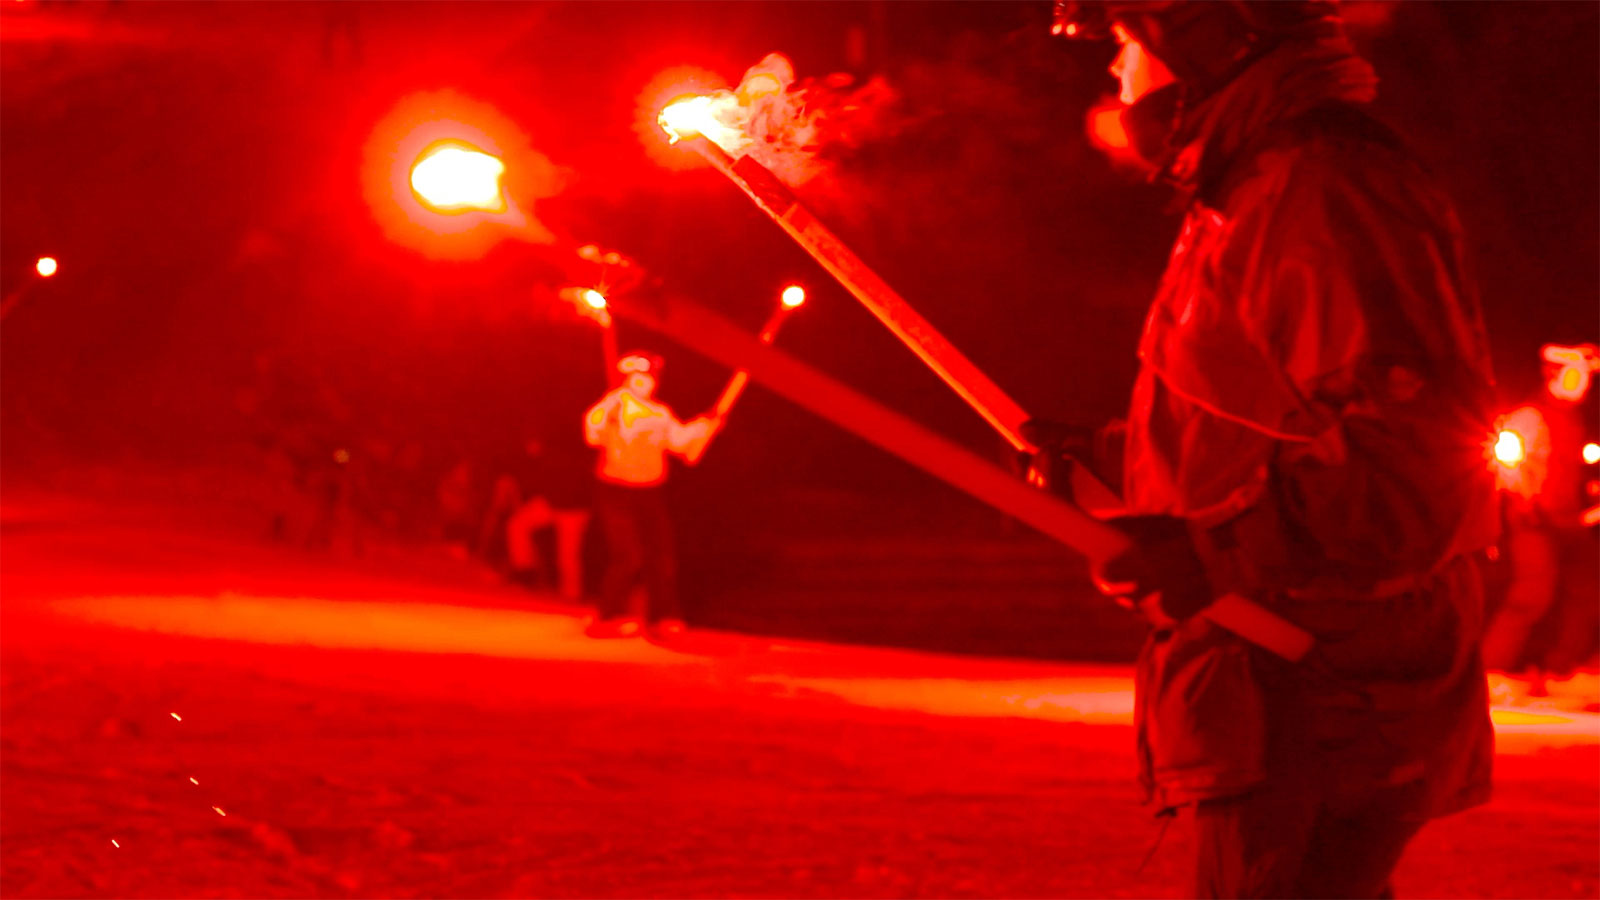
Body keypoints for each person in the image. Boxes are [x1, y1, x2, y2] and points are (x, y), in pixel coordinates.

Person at [1046, 3, 1501, 896]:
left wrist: (1219, 552)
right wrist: (1114, 457)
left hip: (1317, 687)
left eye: (1129, 47)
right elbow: (1255, 421)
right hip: (1269, 683)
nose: (1116, 77)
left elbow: (1411, 453)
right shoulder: (1250, 190)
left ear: (1209, 40)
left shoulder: (1321, 187)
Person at [1481, 344, 1600, 684]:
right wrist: (1523, 507)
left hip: (1567, 523)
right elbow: (1507, 469)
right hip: (1534, 522)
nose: (1585, 386)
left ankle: (1564, 667)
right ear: (1555, 376)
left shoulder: (1574, 419)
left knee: (1587, 593)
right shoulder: (1531, 417)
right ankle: (1490, 671)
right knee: (1530, 597)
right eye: (1578, 377)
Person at [583, 351, 718, 639]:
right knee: (627, 555)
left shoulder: (660, 413)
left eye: (647, 378)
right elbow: (592, 434)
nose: (642, 382)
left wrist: (705, 425)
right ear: (627, 379)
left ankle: (662, 616)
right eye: (636, 377)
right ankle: (609, 614)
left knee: (661, 556)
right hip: (616, 489)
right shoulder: (614, 403)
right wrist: (607, 415)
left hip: (650, 491)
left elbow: (681, 444)